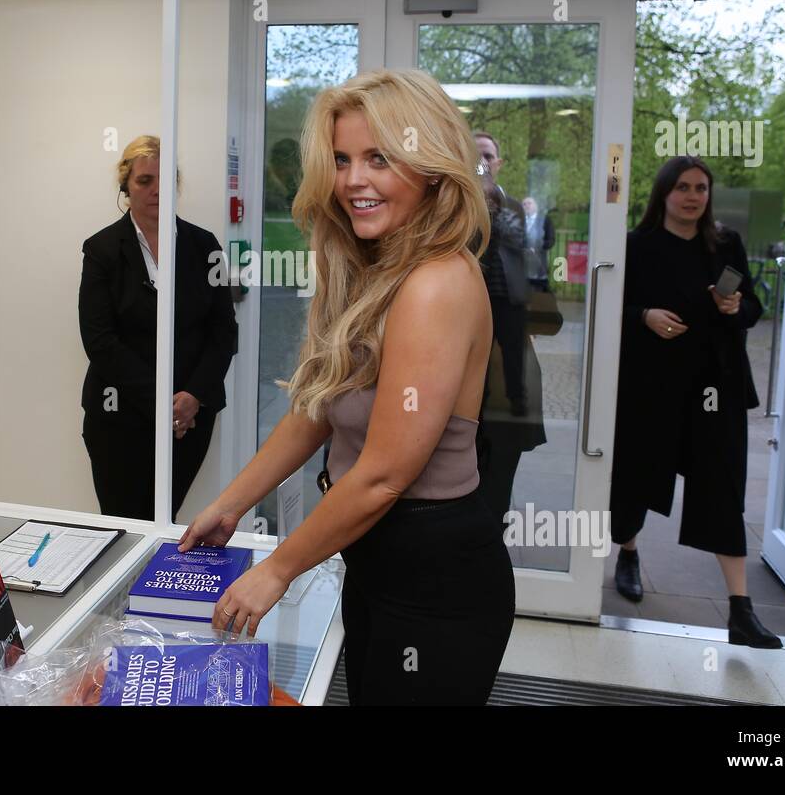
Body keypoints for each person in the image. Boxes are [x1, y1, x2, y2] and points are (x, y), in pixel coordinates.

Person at [180, 70, 515, 705]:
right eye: (341, 160)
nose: (353, 180)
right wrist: (230, 502)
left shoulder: (435, 282)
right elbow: (317, 409)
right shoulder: (377, 268)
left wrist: (278, 568)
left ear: (433, 167)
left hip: (434, 581)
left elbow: (386, 473)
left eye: (378, 159)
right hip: (376, 558)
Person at [610, 155, 781, 649]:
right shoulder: (637, 247)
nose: (692, 196)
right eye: (682, 187)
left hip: (716, 385)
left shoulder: (724, 243)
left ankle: (740, 610)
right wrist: (644, 315)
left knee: (724, 488)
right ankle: (629, 552)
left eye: (701, 188)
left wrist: (734, 306)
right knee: (637, 479)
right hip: (653, 386)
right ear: (663, 193)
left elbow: (752, 308)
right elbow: (612, 305)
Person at [79, 135, 237, 521]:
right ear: (126, 186)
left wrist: (193, 397)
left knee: (164, 522)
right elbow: (100, 341)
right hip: (120, 416)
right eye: (144, 180)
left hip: (190, 417)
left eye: (165, 179)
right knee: (124, 524)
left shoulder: (205, 246)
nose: (155, 190)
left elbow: (224, 330)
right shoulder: (101, 250)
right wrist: (163, 402)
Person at [474, 132, 528, 416]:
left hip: (508, 295)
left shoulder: (513, 205)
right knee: (475, 359)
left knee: (513, 355)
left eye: (487, 156)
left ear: (498, 163)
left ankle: (518, 406)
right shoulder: (458, 205)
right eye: (476, 156)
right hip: (472, 298)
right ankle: (475, 410)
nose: (481, 162)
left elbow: (518, 242)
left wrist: (493, 206)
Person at [522, 195, 555, 292]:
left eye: (529, 203)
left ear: (535, 206)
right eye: (524, 204)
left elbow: (551, 240)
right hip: (522, 265)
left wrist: (537, 248)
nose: (527, 206)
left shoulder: (545, 220)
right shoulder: (519, 220)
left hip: (539, 263)